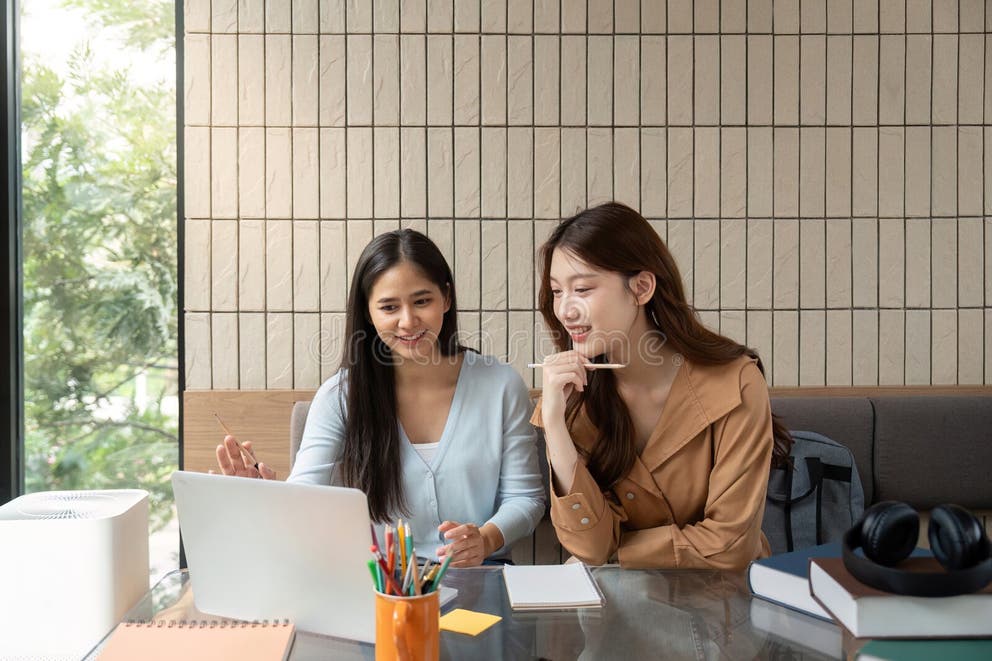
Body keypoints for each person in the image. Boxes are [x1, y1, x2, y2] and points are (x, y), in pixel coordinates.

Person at [216, 229, 545, 566]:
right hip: (380, 585)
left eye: (422, 301)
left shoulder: (501, 385)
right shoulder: (340, 397)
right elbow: (304, 499)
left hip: (481, 578)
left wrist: (486, 540)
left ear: (446, 298)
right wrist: (263, 497)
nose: (408, 321)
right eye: (389, 307)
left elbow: (526, 498)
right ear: (369, 313)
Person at [532, 202, 791, 571]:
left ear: (641, 287)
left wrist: (618, 553)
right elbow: (590, 546)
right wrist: (555, 427)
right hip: (621, 608)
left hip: (723, 606)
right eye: (557, 292)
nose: (566, 310)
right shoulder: (573, 395)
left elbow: (728, 546)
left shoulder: (735, 382)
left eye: (583, 289)